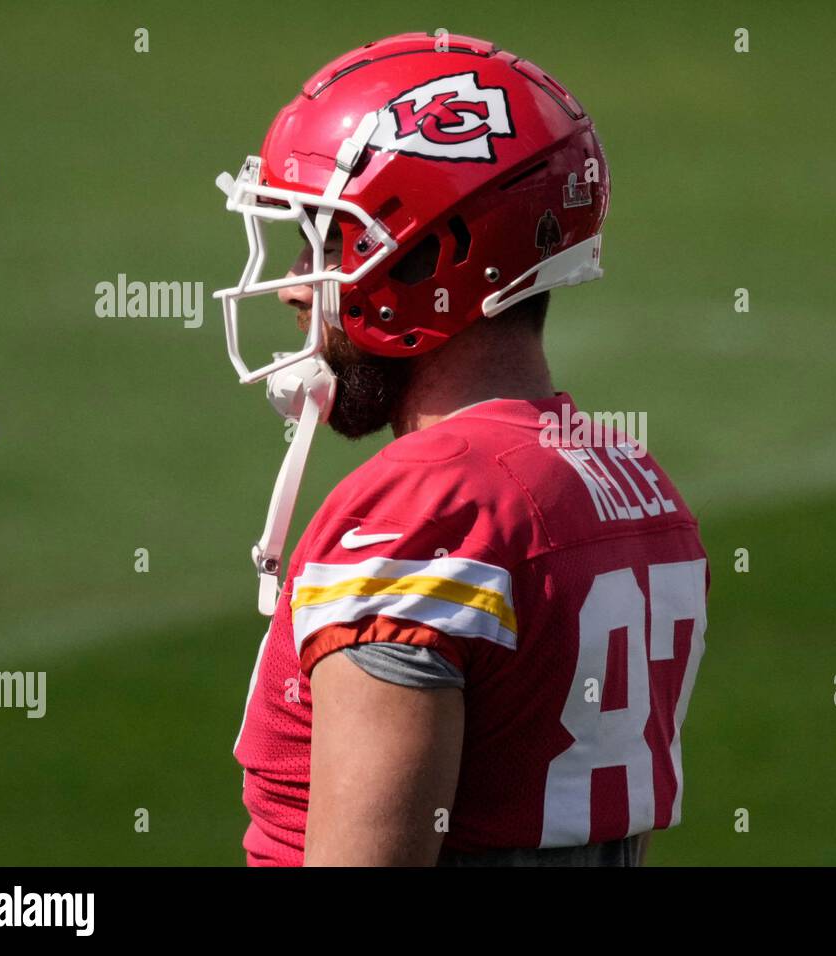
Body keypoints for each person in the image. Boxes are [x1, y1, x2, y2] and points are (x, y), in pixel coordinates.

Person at [213, 31, 709, 866]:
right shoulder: (631, 479)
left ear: (437, 255)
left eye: (329, 242)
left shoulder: (424, 509)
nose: (296, 283)